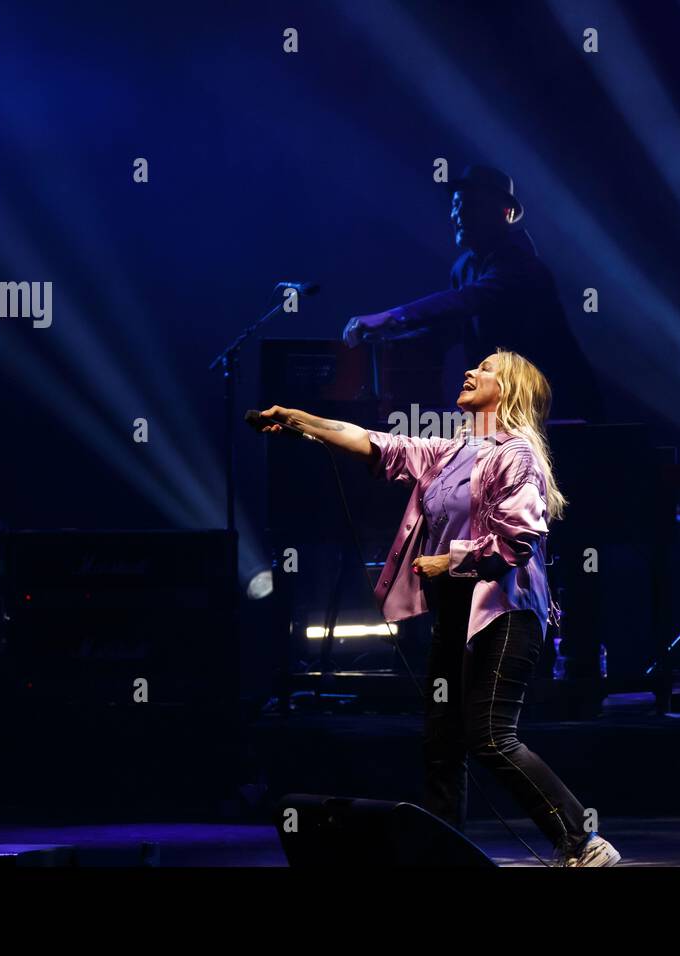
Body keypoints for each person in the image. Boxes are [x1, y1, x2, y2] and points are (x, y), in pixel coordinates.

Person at [257, 349, 620, 866]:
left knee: (490, 736)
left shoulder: (515, 455)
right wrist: (299, 420)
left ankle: (583, 842)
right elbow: (370, 440)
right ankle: (441, 856)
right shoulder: (448, 453)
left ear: (511, 391)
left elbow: (519, 541)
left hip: (503, 612)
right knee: (442, 743)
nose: (471, 371)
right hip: (455, 611)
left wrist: (449, 562)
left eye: (487, 369)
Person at [340, 165, 602, 421]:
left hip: (557, 408)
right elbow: (450, 329)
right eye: (456, 205)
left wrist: (391, 316)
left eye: (472, 205)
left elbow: (469, 299)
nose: (459, 214)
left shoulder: (521, 264)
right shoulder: (464, 267)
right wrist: (387, 340)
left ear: (505, 213)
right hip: (506, 408)